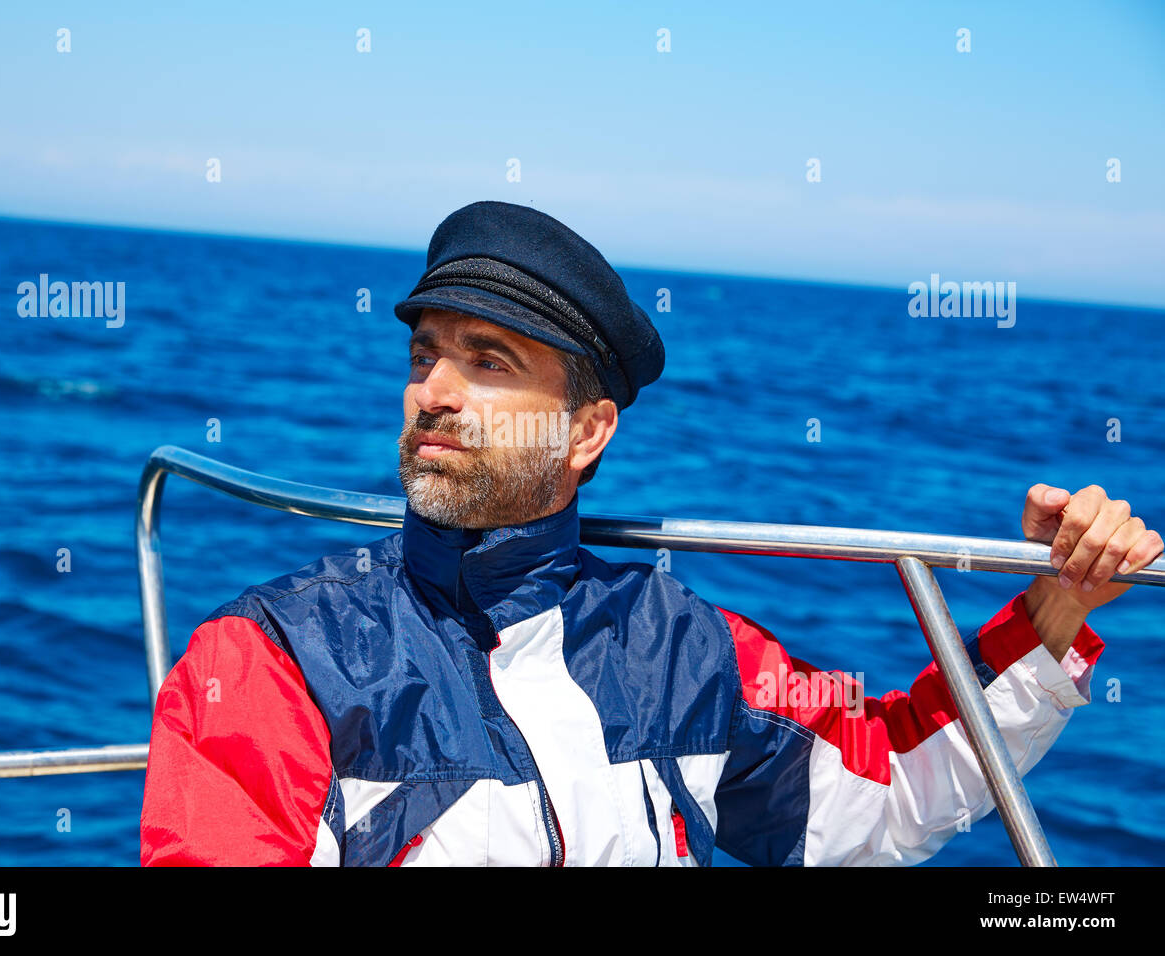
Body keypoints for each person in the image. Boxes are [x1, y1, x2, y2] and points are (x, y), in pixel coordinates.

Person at [139, 200, 1161, 866]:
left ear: (587, 430)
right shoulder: (275, 658)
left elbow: (888, 789)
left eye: (487, 361)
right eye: (424, 355)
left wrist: (1056, 606)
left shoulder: (678, 648)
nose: (434, 393)